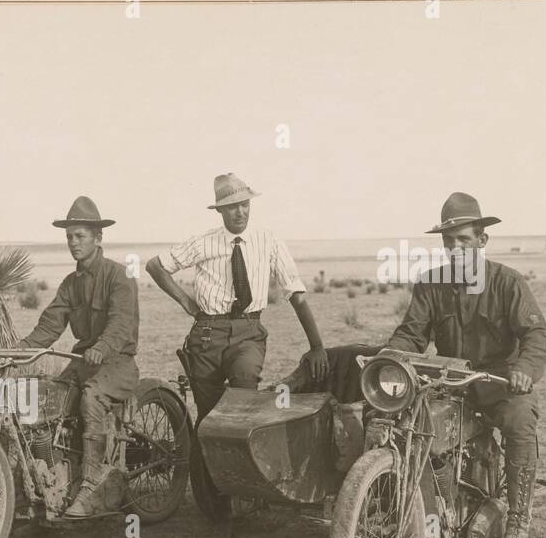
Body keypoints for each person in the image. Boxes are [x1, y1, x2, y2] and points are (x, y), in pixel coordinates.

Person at [386, 192, 546, 538]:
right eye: (449, 242)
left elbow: (536, 334)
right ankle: (428, 509)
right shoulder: (431, 285)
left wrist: (524, 371)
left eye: (464, 239)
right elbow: (412, 334)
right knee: (408, 420)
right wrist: (390, 356)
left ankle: (518, 526)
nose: (456, 248)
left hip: (501, 385)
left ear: (482, 240)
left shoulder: (508, 283)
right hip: (450, 385)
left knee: (520, 419)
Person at [146, 173, 328, 424]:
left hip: (248, 333)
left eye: (245, 205)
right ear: (220, 210)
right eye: (232, 207)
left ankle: (237, 459)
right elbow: (156, 266)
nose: (240, 212)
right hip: (207, 335)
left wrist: (317, 346)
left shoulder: (269, 241)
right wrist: (186, 302)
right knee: (208, 416)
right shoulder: (203, 242)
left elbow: (295, 293)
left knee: (243, 401)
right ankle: (199, 463)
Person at [19, 196, 138, 518]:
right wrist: (21, 350)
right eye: (69, 236)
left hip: (117, 362)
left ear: (98, 239)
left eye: (80, 236)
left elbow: (121, 323)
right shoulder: (70, 283)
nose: (73, 243)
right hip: (84, 362)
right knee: (45, 401)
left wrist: (102, 347)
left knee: (92, 399)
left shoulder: (120, 276)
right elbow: (50, 324)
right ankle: (51, 478)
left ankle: (92, 484)